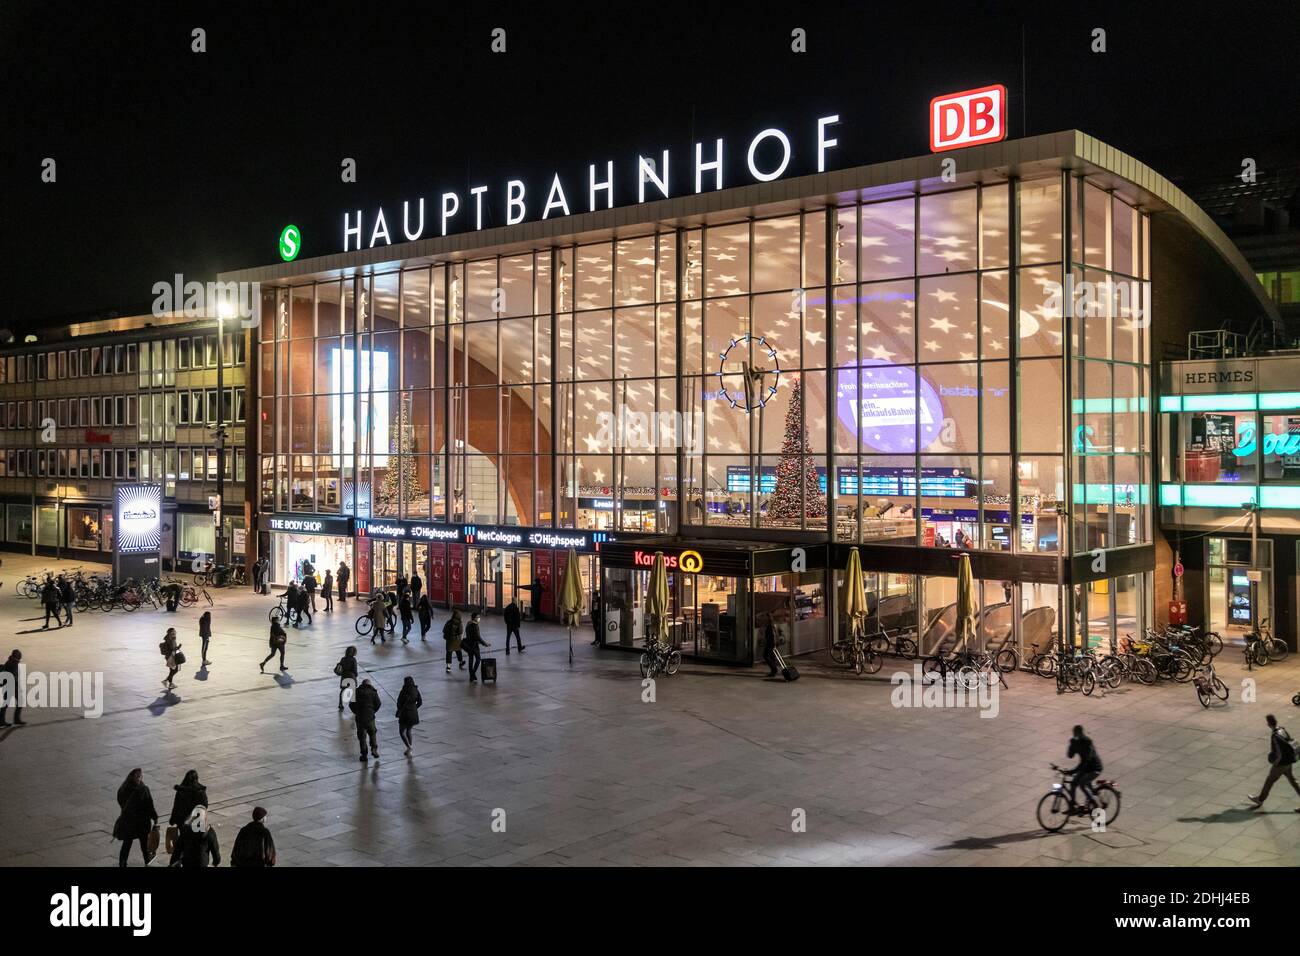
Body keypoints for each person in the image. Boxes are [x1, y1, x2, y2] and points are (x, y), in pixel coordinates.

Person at [1247, 714, 1300, 810]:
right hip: (1288, 761)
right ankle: (1260, 798)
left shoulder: (1275, 736)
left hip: (1281, 764)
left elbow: (1279, 752)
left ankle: (1260, 799)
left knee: (1270, 780)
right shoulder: (1282, 729)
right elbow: (1289, 741)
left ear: (1268, 723)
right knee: (1293, 782)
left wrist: (1276, 763)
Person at [113, 768, 158, 867]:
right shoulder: (143, 789)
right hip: (141, 821)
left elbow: (121, 802)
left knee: (128, 843)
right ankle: (147, 861)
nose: (140, 778)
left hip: (129, 821)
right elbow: (149, 804)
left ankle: (123, 862)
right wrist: (154, 817)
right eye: (139, 776)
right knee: (143, 843)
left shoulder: (123, 788)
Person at [1066, 725, 1103, 813]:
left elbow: (1086, 760)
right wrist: (1071, 744)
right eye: (1074, 733)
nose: (1075, 735)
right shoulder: (1076, 742)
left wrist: (1074, 771)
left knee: (1082, 784)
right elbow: (1070, 756)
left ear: (1081, 733)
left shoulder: (1087, 742)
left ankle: (1095, 804)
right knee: (1073, 784)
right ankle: (1072, 808)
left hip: (1094, 768)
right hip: (1085, 768)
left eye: (1076, 733)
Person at [350, 678, 382, 762]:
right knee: (372, 732)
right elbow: (378, 704)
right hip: (370, 717)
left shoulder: (356, 692)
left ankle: (364, 755)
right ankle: (374, 749)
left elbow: (351, 705)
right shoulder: (373, 692)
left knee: (362, 737)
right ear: (369, 685)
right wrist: (372, 711)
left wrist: (356, 712)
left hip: (360, 717)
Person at [396, 676, 423, 756]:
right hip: (413, 713)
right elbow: (420, 702)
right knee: (409, 730)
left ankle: (409, 747)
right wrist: (414, 708)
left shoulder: (403, 691)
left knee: (401, 732)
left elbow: (399, 702)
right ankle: (410, 749)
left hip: (405, 714)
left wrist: (400, 709)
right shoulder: (416, 690)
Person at [463, 611, 490, 683]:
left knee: (471, 660)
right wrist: (485, 643)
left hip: (468, 644)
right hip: (474, 645)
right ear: (474, 618)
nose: (479, 618)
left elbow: (470, 635)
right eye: (478, 617)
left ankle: (471, 675)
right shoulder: (475, 625)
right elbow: (478, 637)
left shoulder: (468, 624)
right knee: (478, 659)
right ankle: (472, 674)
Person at [0, 649, 24, 726]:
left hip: (13, 686)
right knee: (8, 703)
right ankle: (13, 719)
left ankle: (4, 720)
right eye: (19, 656)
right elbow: (12, 677)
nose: (20, 657)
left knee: (8, 704)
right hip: (9, 687)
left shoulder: (14, 662)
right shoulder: (11, 663)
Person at [335, 646, 358, 711]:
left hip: (344, 676)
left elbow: (340, 668)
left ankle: (340, 704)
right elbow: (355, 670)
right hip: (351, 677)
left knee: (342, 690)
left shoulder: (343, 659)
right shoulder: (353, 659)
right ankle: (353, 705)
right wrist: (356, 675)